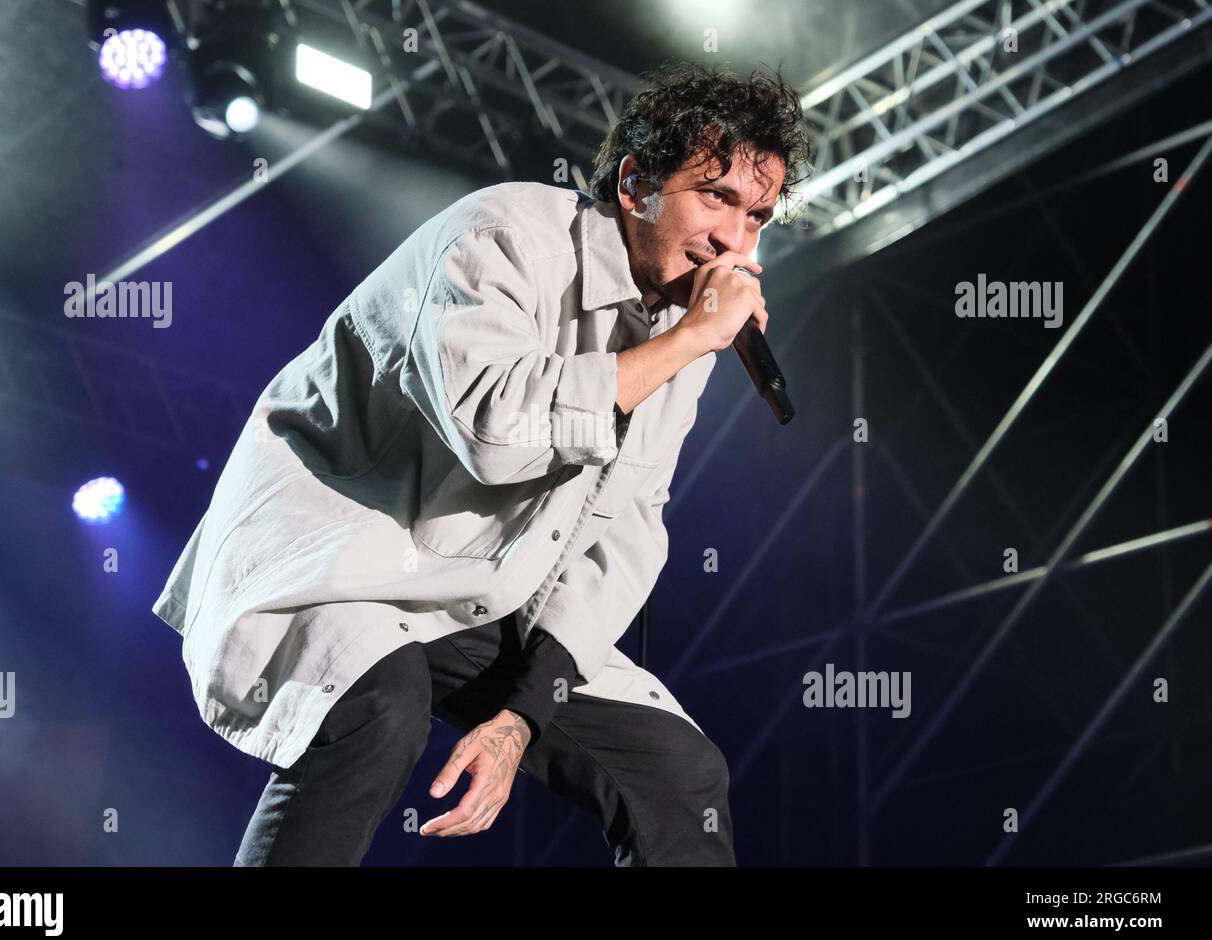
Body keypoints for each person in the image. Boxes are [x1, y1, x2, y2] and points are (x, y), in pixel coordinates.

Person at [152, 60, 809, 866]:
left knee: (675, 772)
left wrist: (524, 714)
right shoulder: (503, 239)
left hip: (467, 593)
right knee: (380, 705)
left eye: (758, 216)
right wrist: (686, 342)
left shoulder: (679, 333)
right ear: (636, 183)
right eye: (716, 197)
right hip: (332, 553)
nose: (733, 241)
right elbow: (500, 432)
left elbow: (619, 533)